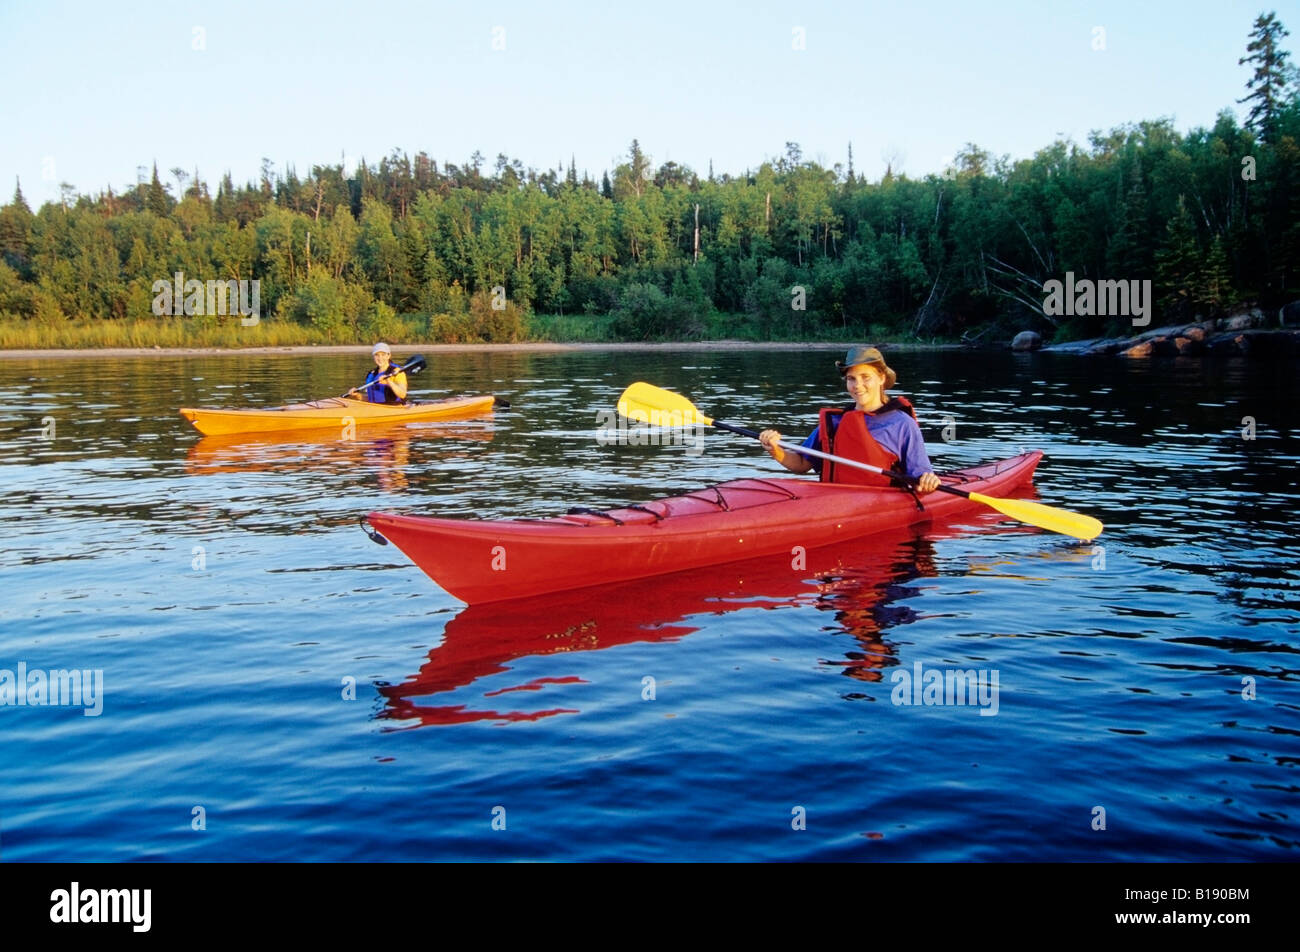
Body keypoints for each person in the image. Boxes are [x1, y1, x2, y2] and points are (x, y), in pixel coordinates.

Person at [759, 345, 941, 494]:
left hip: (881, 506)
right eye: (851, 379)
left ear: (881, 378)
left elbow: (921, 476)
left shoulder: (901, 424)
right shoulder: (835, 423)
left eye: (865, 377)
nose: (857, 386)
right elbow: (801, 464)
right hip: (834, 504)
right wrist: (775, 449)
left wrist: (928, 481)